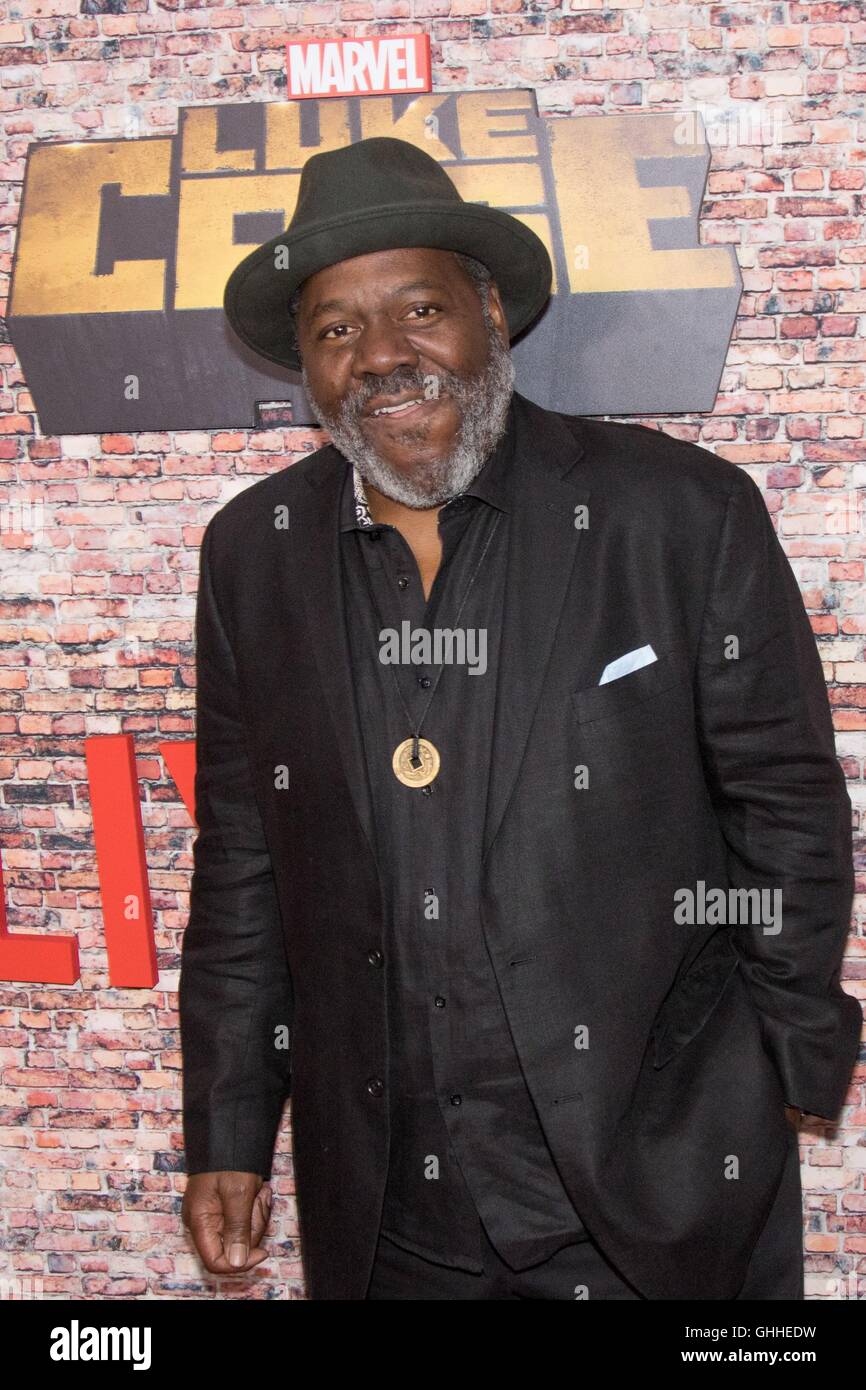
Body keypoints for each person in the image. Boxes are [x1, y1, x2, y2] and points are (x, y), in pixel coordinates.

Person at [179, 136, 861, 1300]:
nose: (382, 356)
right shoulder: (254, 555)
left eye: (418, 309)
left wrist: (779, 1048)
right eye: (336, 328)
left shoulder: (676, 513)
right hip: (391, 1210)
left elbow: (784, 803)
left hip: (655, 1184)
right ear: (305, 361)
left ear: (490, 313)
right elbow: (245, 863)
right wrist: (232, 1128)